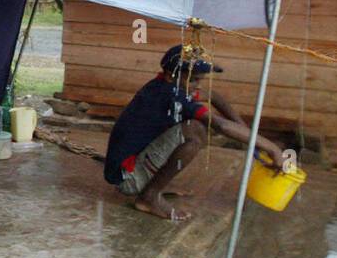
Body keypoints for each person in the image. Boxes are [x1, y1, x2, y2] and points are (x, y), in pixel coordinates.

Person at [103, 44, 282, 223]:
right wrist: (272, 149)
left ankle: (154, 183)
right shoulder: (172, 96)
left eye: (200, 80)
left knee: (194, 127)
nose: (198, 86)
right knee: (195, 131)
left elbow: (213, 96)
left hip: (130, 167)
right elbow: (220, 126)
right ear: (170, 75)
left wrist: (250, 137)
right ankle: (149, 196)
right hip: (128, 177)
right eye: (194, 80)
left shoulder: (166, 84)